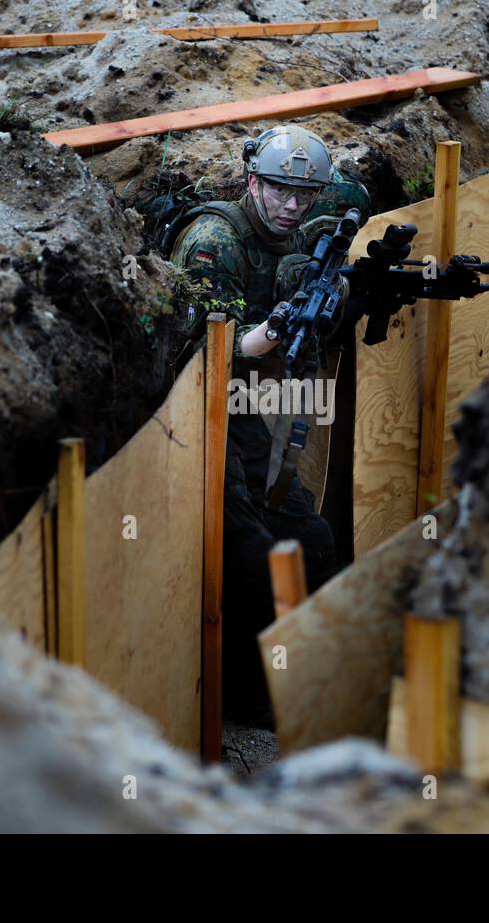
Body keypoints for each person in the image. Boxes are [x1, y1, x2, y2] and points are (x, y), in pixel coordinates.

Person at [170, 125, 366, 725]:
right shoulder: (215, 241)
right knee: (252, 555)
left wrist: (343, 293)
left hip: (259, 420)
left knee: (312, 541)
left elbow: (352, 197)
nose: (291, 206)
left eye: (304, 195)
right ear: (252, 182)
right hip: (200, 417)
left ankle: (302, 679)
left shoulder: (308, 222)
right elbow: (194, 354)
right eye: (279, 190)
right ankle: (246, 701)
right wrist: (263, 338)